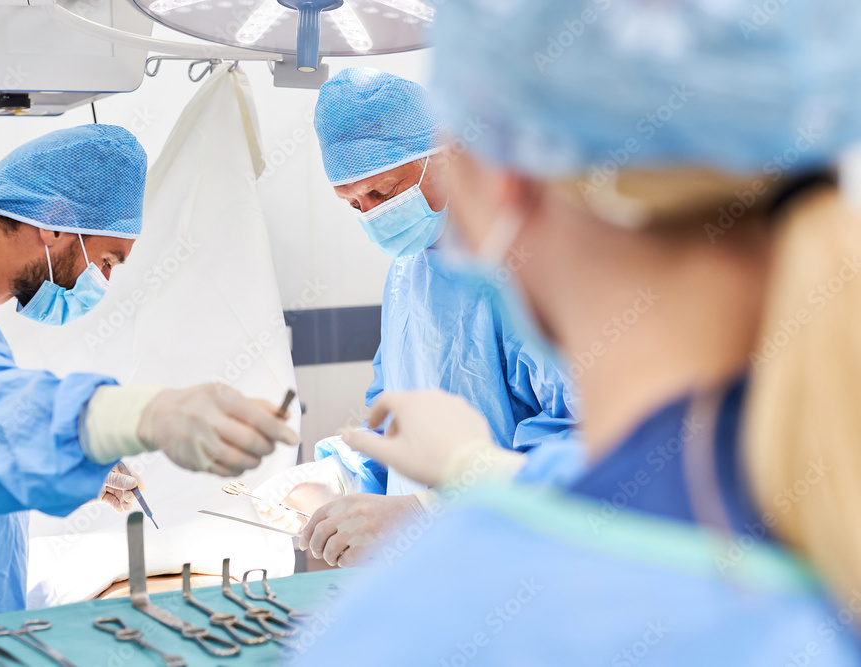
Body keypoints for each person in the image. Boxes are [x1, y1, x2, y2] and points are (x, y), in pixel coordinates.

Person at [291, 1, 861, 664]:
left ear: (493, 181)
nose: (373, 215)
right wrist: (378, 474)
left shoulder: (412, 630)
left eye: (382, 191)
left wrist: (449, 507)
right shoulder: (816, 514)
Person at [0, 125, 298, 640]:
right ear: (53, 224)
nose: (103, 281)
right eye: (108, 260)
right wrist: (128, 417)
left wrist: (80, 459)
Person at [255, 68, 580, 568]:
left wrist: (426, 511)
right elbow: (396, 419)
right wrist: (337, 478)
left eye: (383, 193)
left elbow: (582, 451)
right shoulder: (408, 271)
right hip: (429, 570)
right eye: (354, 203)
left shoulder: (526, 269)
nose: (371, 214)